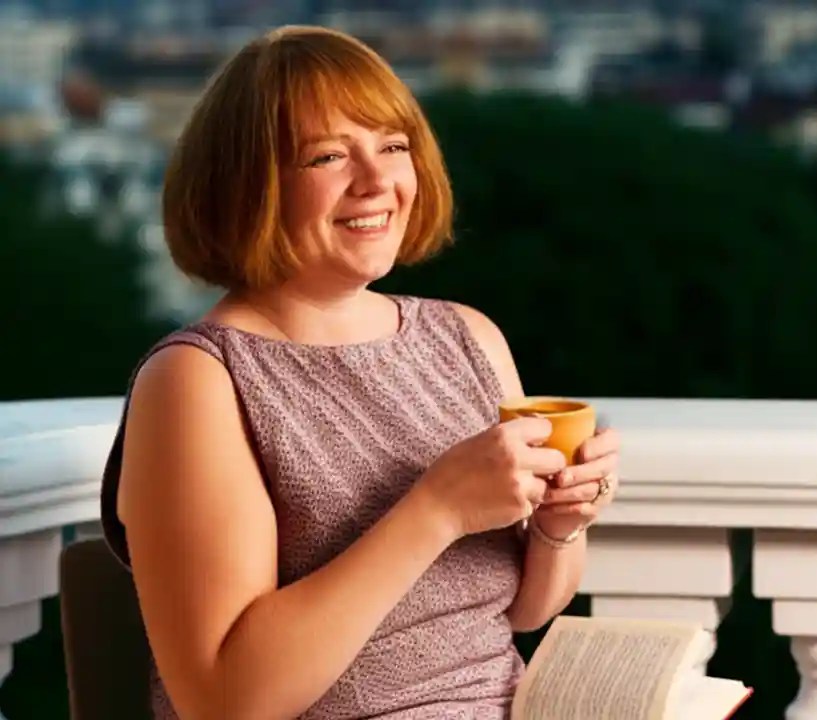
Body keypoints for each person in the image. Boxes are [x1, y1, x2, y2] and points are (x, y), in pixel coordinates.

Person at [97, 25, 621, 720]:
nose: (377, 183)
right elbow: (224, 699)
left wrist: (559, 526)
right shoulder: (198, 381)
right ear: (247, 186)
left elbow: (522, 612)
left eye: (394, 147)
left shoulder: (467, 338)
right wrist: (435, 510)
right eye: (328, 156)